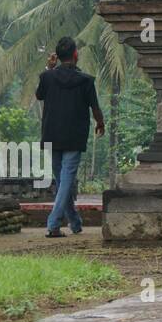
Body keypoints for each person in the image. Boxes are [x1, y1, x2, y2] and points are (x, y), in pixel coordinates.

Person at [35, 36, 105, 237]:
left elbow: (39, 95)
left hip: (51, 134)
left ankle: (74, 222)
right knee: (65, 181)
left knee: (62, 181)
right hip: (74, 137)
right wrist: (100, 123)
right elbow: (95, 107)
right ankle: (53, 224)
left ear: (58, 56)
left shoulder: (47, 77)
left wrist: (48, 69)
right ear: (75, 54)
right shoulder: (85, 81)